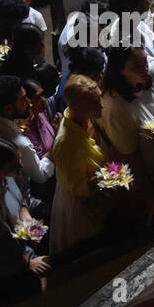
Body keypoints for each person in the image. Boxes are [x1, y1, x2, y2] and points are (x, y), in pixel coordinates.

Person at [98, 45, 154, 223]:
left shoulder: (147, 77)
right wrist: (150, 197)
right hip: (147, 182)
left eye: (145, 61)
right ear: (119, 70)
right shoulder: (115, 106)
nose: (144, 68)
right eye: (135, 67)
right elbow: (129, 157)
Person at [0, 138, 51, 280]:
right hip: (9, 263)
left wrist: (28, 221)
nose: (21, 167)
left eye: (19, 160)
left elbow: (20, 200)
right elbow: (0, 244)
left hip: (22, 247)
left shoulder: (5, 176)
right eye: (14, 165)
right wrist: (28, 264)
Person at [48, 75, 112, 253]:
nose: (101, 105)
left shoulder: (84, 119)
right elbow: (81, 191)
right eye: (94, 103)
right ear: (76, 107)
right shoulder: (66, 143)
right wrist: (110, 177)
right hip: (81, 208)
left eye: (99, 99)